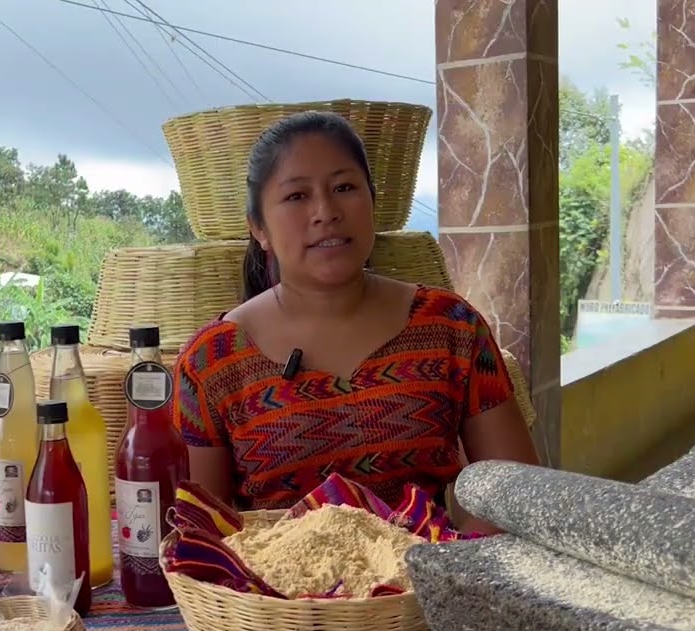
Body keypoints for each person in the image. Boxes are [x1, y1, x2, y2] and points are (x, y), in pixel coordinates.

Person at [172, 111, 539, 534]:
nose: (325, 211)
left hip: (431, 588)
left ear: (372, 203)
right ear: (259, 228)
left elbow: (515, 492)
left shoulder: (452, 329)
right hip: (276, 598)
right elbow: (205, 533)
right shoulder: (212, 361)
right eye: (296, 196)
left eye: (344, 188)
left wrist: (445, 578)